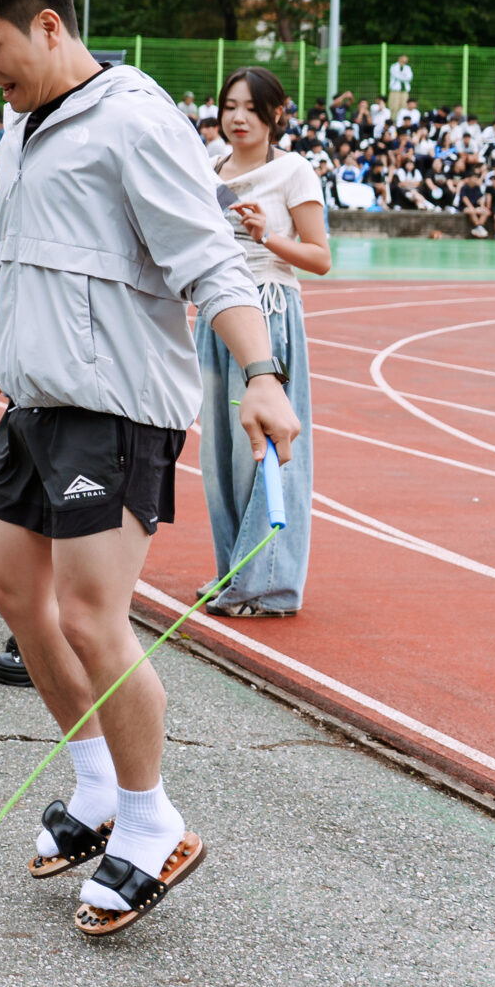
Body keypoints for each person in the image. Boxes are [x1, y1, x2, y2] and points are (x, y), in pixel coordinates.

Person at [0, 0, 294, 937]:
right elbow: (48, 247)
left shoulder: (132, 120)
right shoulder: (22, 129)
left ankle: (152, 823)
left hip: (115, 407)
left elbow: (206, 259)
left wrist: (259, 376)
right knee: (17, 599)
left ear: (48, 26)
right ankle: (96, 782)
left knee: (94, 615)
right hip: (37, 402)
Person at [199, 67, 327, 618]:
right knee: (220, 454)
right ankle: (236, 573)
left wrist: (265, 235)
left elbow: (320, 258)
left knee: (265, 451)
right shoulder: (209, 166)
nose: (238, 117)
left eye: (251, 107)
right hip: (217, 314)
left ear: (275, 113)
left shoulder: (293, 170)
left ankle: (269, 585)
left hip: (270, 310)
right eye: (230, 105)